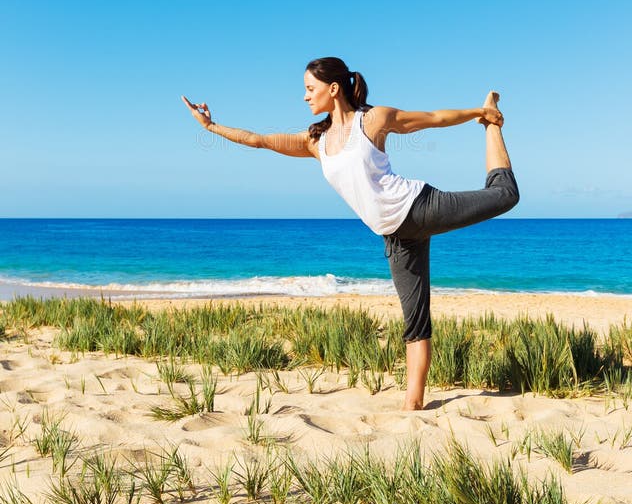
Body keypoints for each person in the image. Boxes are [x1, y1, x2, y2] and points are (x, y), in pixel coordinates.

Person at [181, 55, 519, 410]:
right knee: (415, 321)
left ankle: (491, 126)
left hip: (418, 207)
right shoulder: (316, 142)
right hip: (396, 235)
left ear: (334, 88)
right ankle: (413, 405)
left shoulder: (372, 121)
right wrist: (210, 126)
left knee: (505, 196)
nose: (305, 97)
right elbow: (258, 140)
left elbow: (433, 119)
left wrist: (481, 115)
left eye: (310, 89)